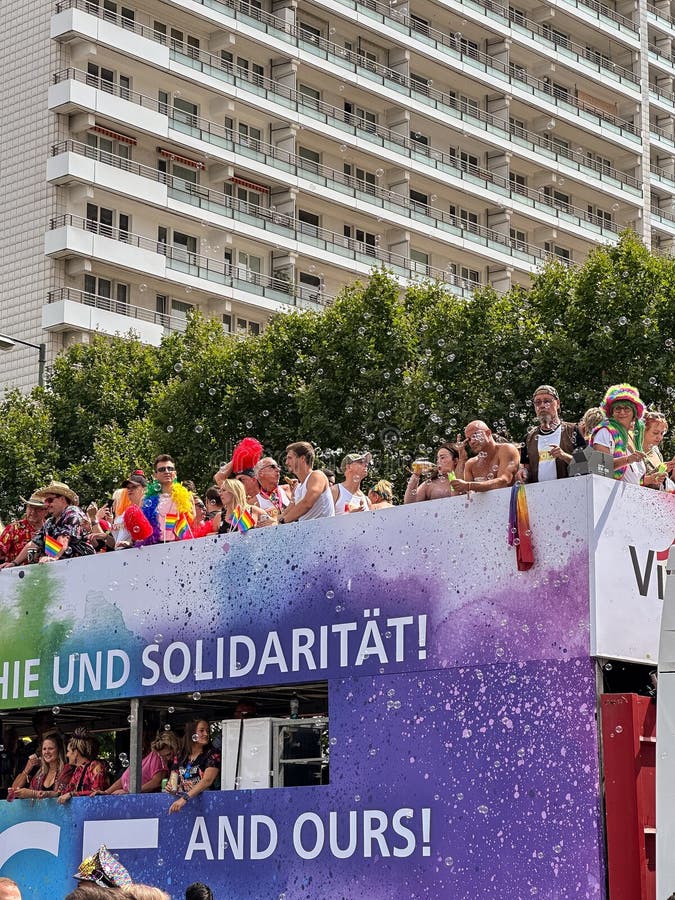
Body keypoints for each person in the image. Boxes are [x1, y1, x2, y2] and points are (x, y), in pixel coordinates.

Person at [2, 482, 94, 567]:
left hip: (82, 566)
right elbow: (34, 543)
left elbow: (64, 537)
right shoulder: (50, 522)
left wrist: (53, 557)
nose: (46, 504)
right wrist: (15, 563)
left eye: (50, 500)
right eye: (45, 501)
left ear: (62, 499)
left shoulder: (72, 512)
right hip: (64, 569)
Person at [520, 385, 585, 482]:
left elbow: (584, 465)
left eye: (547, 401)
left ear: (557, 403)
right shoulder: (529, 438)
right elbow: (527, 470)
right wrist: (523, 473)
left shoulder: (572, 430)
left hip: (569, 491)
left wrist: (564, 455)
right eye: (538, 402)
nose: (542, 405)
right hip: (538, 493)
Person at [590, 384, 646, 484]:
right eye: (617, 409)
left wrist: (654, 477)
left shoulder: (633, 438)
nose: (622, 412)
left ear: (634, 413)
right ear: (612, 413)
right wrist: (627, 459)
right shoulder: (605, 431)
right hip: (609, 494)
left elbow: (635, 478)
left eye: (627, 408)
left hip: (631, 496)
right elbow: (600, 466)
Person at [166, 719, 221, 814]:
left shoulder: (212, 754)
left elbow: (207, 781)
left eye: (208, 731)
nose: (206, 734)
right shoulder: (180, 755)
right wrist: (171, 788)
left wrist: (184, 798)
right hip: (185, 808)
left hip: (209, 805)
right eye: (201, 730)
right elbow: (174, 779)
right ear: (191, 733)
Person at [100, 731, 179, 795]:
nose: (167, 758)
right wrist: (107, 792)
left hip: (138, 797)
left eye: (168, 754)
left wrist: (130, 792)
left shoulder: (159, 759)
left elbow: (156, 782)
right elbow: (123, 779)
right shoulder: (153, 756)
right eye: (163, 756)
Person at [451, 422, 520, 494]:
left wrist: (469, 485)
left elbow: (504, 481)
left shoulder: (506, 449)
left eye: (475, 435)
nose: (472, 441)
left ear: (488, 433)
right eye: (469, 439)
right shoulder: (470, 464)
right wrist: (462, 459)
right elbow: (465, 494)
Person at [142, 455, 195, 543]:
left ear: (175, 473)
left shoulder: (186, 496)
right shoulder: (146, 499)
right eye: (162, 469)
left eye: (170, 468)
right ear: (155, 475)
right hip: (155, 547)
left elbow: (192, 521)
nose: (167, 471)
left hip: (180, 545)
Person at [279, 442, 335, 522]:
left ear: (302, 458)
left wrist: (282, 522)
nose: (286, 462)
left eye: (290, 458)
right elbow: (285, 514)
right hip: (309, 532)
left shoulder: (317, 475)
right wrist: (270, 522)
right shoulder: (298, 488)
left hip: (325, 531)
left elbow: (307, 503)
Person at [10, 730, 69, 800]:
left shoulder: (66, 769)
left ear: (59, 750)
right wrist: (21, 793)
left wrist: (33, 794)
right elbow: (14, 791)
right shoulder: (40, 773)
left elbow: (61, 793)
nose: (46, 752)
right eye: (44, 749)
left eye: (50, 748)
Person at [58, 728, 109, 801]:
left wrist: (72, 794)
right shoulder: (78, 769)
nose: (67, 755)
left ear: (75, 752)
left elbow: (96, 793)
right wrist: (50, 793)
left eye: (68, 751)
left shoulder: (95, 766)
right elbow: (68, 791)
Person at [0, 493, 47, 564]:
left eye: (38, 509)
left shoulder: (50, 529)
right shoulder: (14, 528)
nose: (33, 512)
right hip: (15, 573)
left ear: (46, 511)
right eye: (30, 507)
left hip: (46, 573)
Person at [642, 411, 675, 490]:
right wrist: (654, 475)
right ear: (643, 430)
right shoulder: (633, 452)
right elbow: (632, 482)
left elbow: (658, 486)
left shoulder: (656, 450)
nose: (660, 438)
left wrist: (673, 474)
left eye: (662, 433)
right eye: (655, 433)